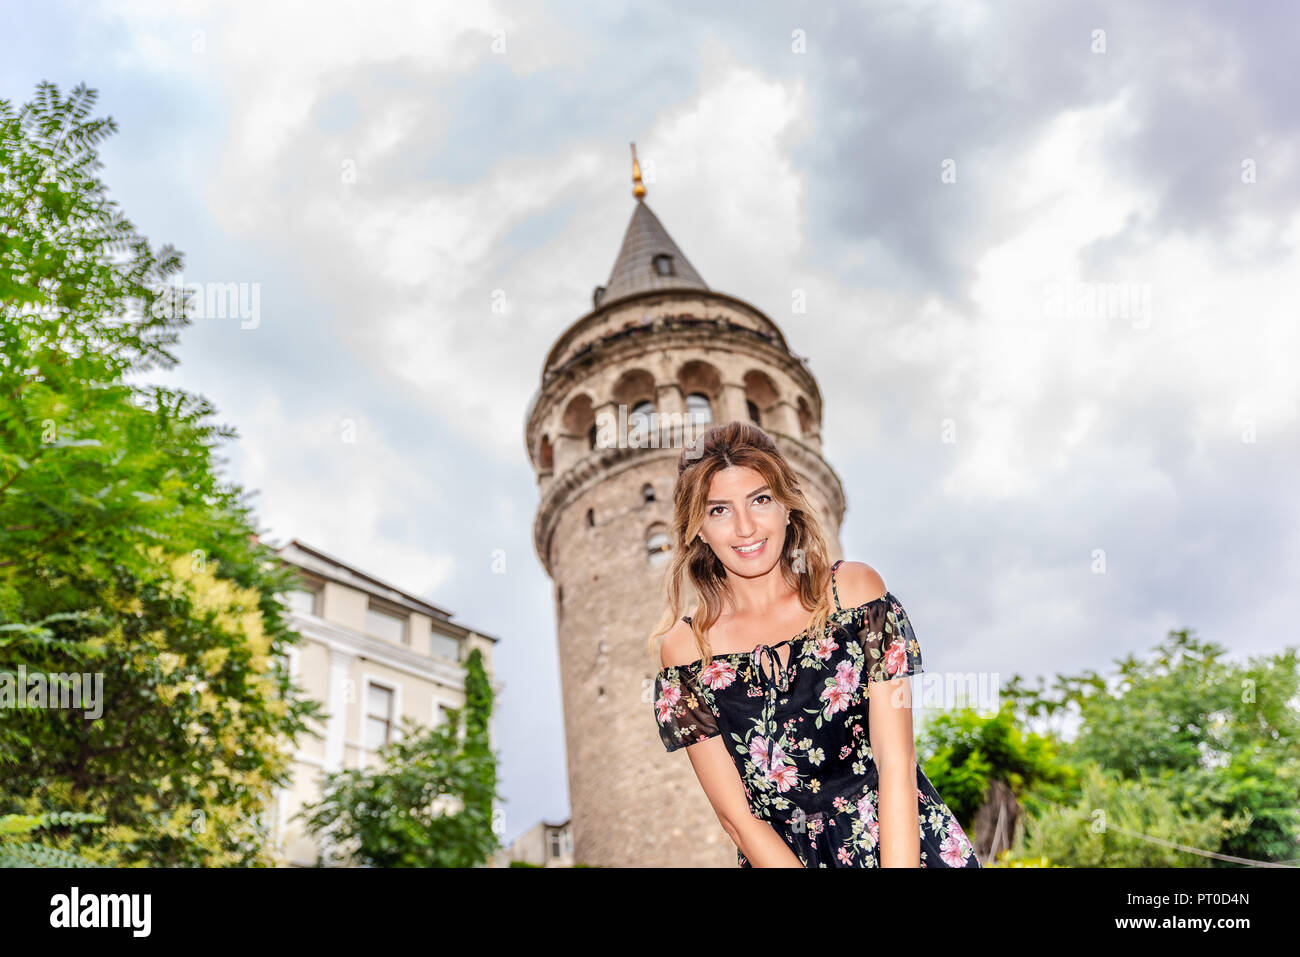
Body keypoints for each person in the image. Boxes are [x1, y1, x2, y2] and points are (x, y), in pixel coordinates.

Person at [648, 421, 980, 868]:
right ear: (698, 529)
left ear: (787, 506)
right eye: (719, 510)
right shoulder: (685, 651)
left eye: (760, 500)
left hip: (903, 848)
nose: (746, 528)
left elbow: (895, 762)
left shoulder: (855, 593)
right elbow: (738, 819)